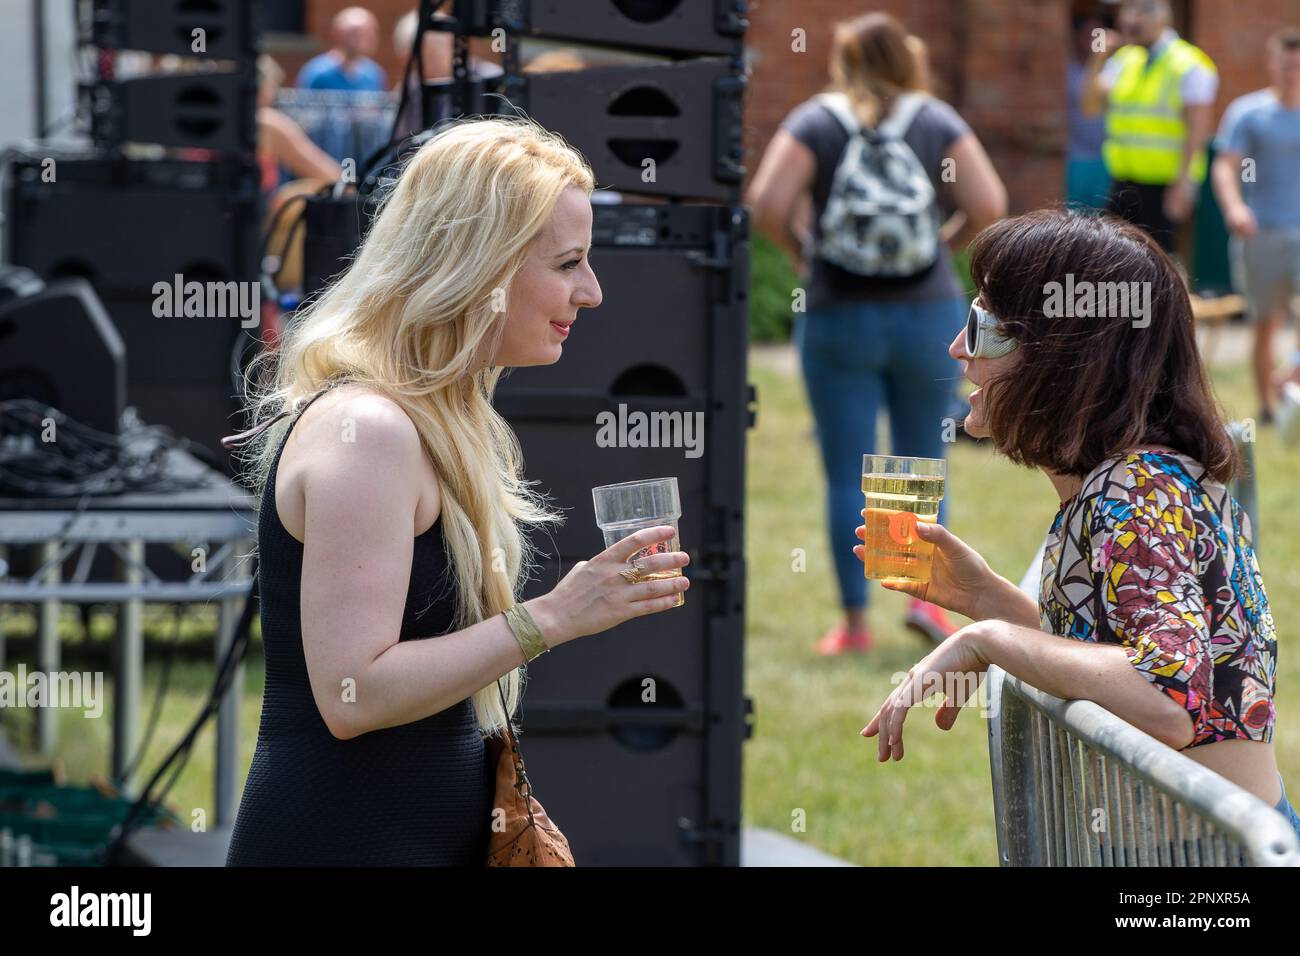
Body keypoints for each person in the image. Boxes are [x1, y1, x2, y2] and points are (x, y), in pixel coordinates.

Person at [223, 117, 691, 865]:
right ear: (480, 264)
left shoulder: (438, 417)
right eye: (568, 262)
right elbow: (355, 694)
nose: (592, 292)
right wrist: (553, 618)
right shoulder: (369, 428)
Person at [856, 209, 1298, 843]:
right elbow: (1122, 665)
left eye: (984, 326)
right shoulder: (1122, 483)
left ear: (1067, 356)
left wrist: (989, 639)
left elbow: (1169, 701)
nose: (959, 348)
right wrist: (993, 602)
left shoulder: (1140, 490)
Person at [747, 12, 1006, 654]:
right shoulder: (935, 119)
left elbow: (768, 205)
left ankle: (855, 625)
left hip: (838, 312)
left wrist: (804, 254)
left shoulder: (816, 120)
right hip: (927, 314)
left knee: (848, 471)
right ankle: (927, 604)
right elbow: (991, 205)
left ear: (844, 62)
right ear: (909, 60)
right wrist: (943, 249)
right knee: (920, 463)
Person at [1211, 28, 1300, 426]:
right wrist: (1234, 207)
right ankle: (1267, 408)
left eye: (1298, 66)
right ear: (1272, 64)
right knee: (1266, 322)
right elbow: (1226, 165)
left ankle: (1290, 378)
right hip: (1261, 233)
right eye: (1285, 65)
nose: (1292, 73)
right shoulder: (1249, 113)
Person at [1081, 0, 1218, 255]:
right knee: (1113, 256)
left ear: (1160, 19)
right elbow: (1089, 107)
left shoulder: (1189, 63)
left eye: (1136, 22)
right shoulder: (1125, 60)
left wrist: (1184, 183)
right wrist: (1099, 57)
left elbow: (1198, 128)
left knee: (1161, 261)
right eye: (1125, 21)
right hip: (1123, 180)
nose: (1128, 28)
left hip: (1165, 184)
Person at [1065, 13, 1110, 211]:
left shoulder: (1114, 69)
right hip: (1077, 155)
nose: (1095, 41)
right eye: (1090, 35)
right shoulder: (1068, 70)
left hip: (1106, 158)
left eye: (1099, 36)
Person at [296, 6, 388, 92]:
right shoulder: (317, 72)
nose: (363, 39)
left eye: (369, 33)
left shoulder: (374, 74)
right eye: (356, 33)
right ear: (338, 34)